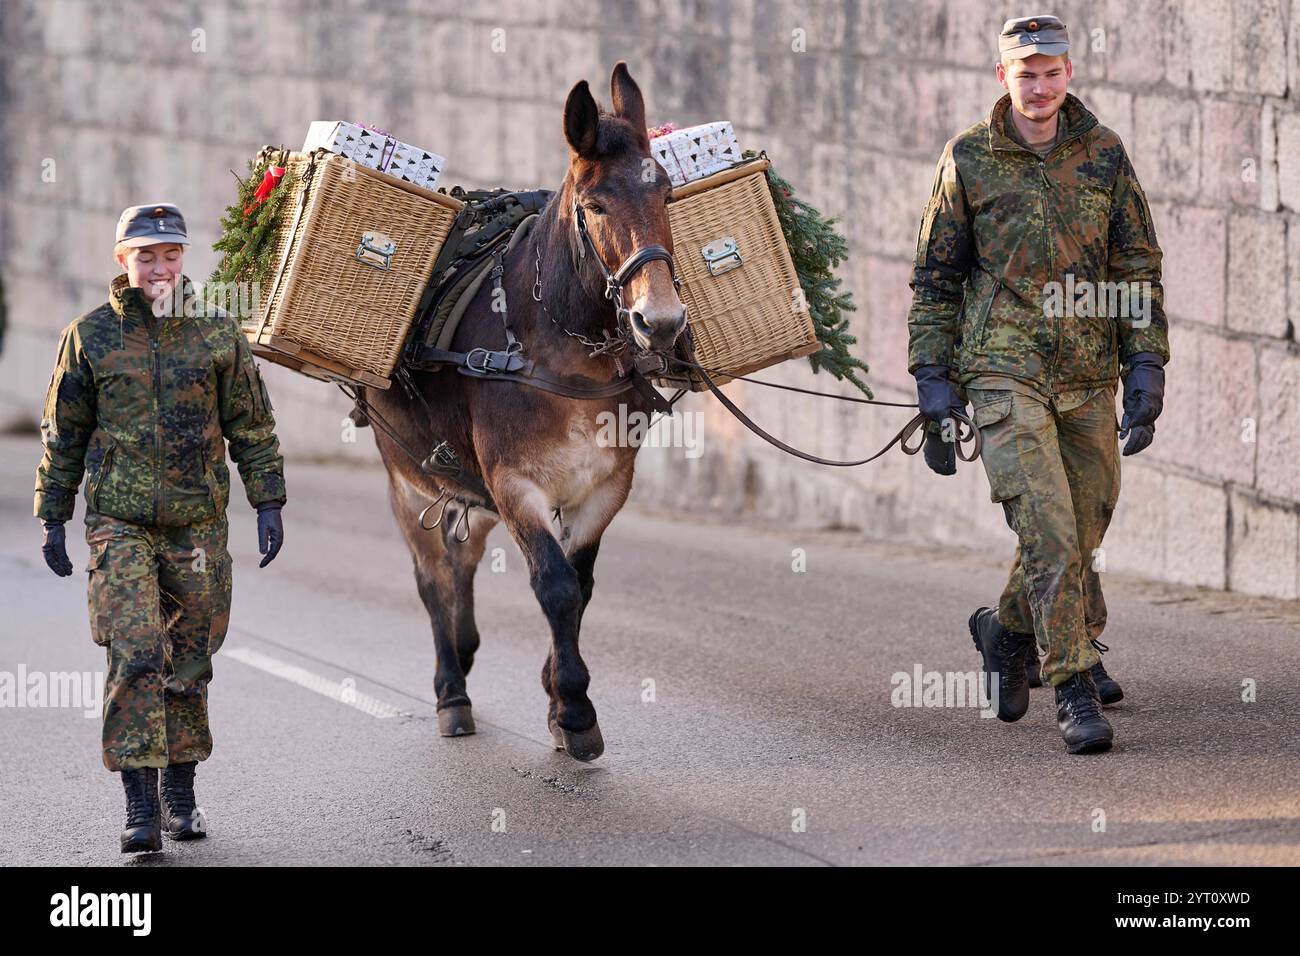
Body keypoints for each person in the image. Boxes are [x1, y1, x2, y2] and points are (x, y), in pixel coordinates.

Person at [907, 16, 1169, 753]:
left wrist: (1146, 362)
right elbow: (936, 279)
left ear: (1070, 73)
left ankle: (1005, 631)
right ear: (1003, 77)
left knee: (1086, 522)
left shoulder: (1106, 155)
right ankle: (1074, 685)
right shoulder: (968, 158)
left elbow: (1136, 268)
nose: (1041, 86)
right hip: (1001, 366)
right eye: (1027, 73)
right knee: (1048, 528)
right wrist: (932, 377)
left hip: (1088, 373)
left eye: (1052, 72)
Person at [34, 203, 287, 850]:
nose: (159, 267)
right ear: (123, 260)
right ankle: (140, 807)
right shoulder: (89, 338)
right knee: (136, 651)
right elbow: (65, 434)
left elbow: (250, 425)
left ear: (184, 257)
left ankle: (182, 795)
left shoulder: (216, 334)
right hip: (120, 523)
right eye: (145, 255)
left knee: (190, 662)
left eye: (170, 254)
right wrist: (53, 514)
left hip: (197, 526)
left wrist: (268, 501)